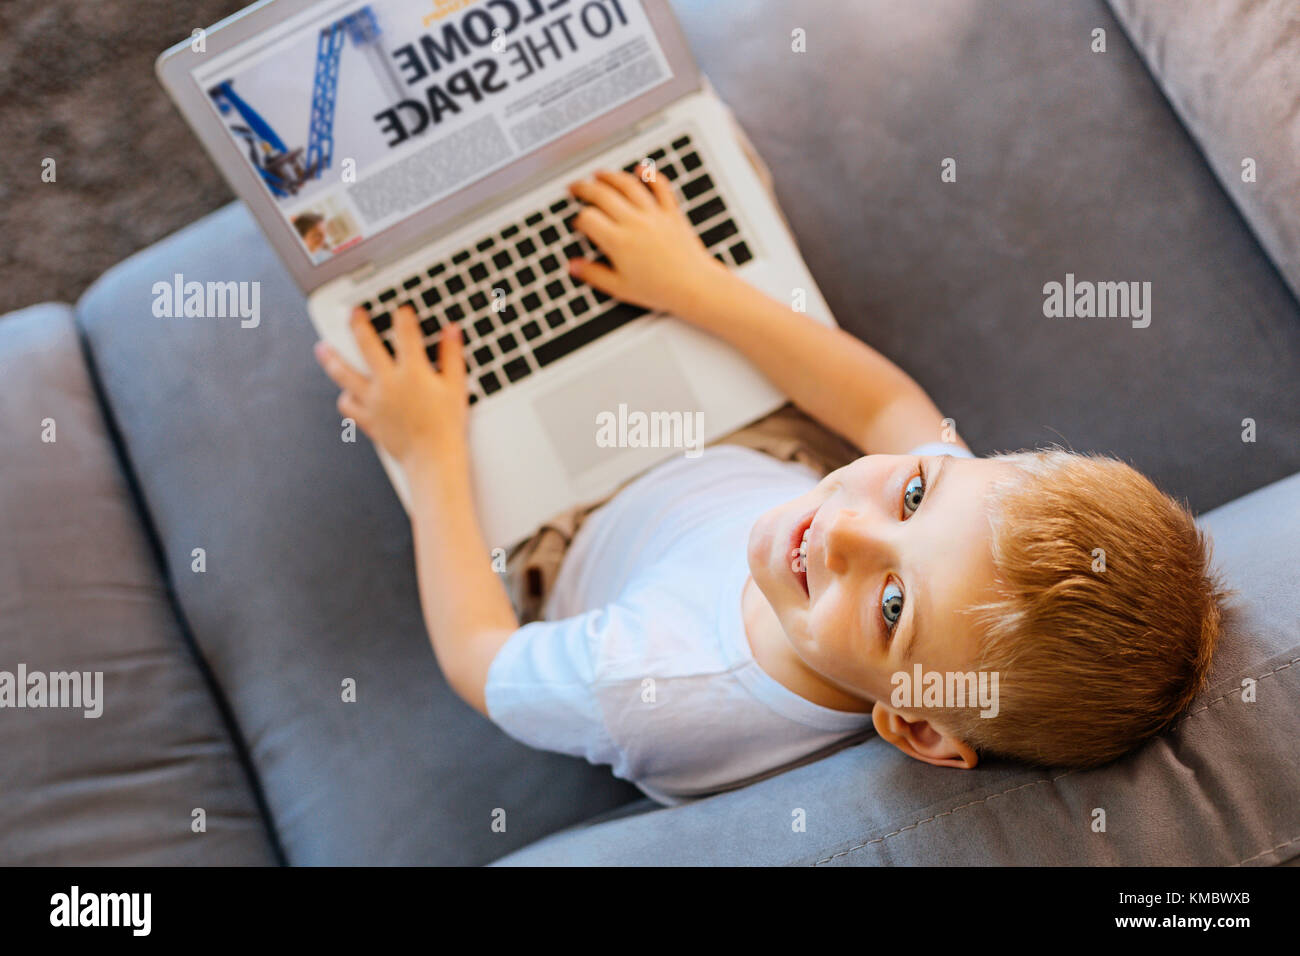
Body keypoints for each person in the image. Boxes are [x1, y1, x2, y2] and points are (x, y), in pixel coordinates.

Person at [313, 168, 1225, 804]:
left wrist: (431, 452)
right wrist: (697, 286)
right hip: (758, 451)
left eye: (894, 604)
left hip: (565, 526)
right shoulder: (966, 533)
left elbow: (482, 661)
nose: (845, 536)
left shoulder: (653, 687)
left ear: (915, 728)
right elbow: (883, 404)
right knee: (698, 182)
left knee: (410, 339)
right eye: (913, 496)